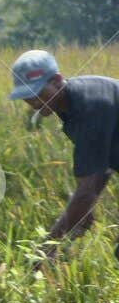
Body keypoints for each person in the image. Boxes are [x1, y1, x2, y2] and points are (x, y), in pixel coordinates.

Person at [9, 48, 119, 264]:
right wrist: (84, 207)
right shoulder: (69, 106)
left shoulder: (90, 108)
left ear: (57, 81)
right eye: (26, 96)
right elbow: (101, 163)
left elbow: (86, 190)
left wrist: (46, 249)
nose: (34, 102)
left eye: (38, 92)